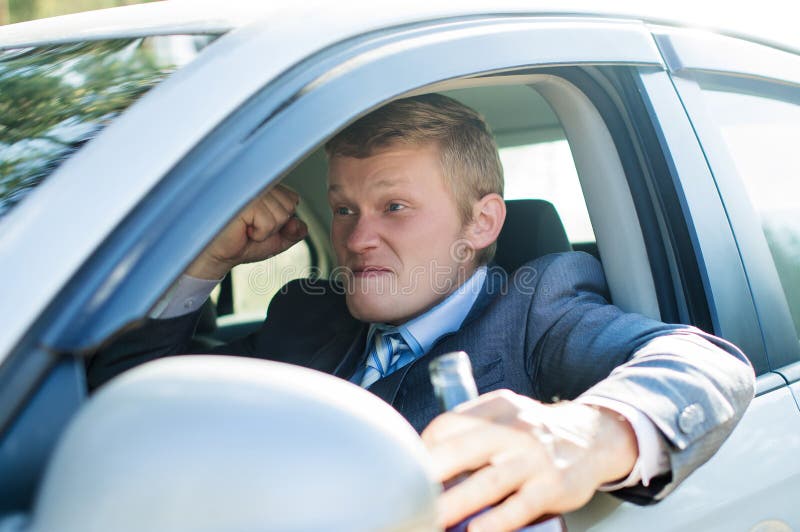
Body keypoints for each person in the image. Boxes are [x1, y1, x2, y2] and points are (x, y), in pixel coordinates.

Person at [89, 94, 754, 532]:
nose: (354, 239)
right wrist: (205, 262)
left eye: (394, 208)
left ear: (482, 222)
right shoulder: (306, 315)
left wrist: (586, 435)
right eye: (344, 208)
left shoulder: (538, 304)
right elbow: (133, 393)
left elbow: (705, 363)